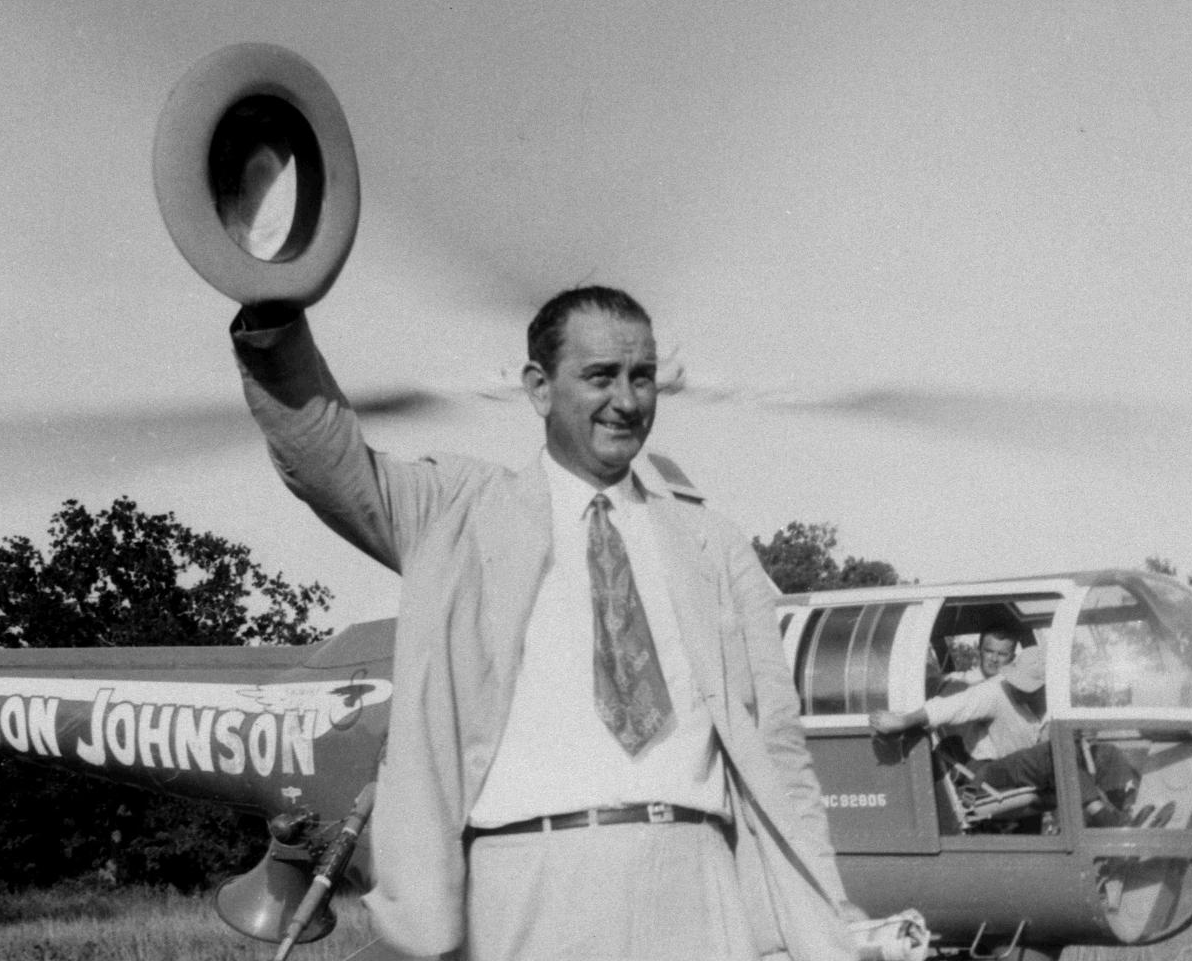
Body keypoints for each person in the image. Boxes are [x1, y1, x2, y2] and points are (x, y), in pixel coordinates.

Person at [233, 286, 860, 960]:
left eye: (641, 377)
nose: (626, 400)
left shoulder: (713, 545)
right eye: (599, 376)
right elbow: (332, 469)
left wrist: (825, 917)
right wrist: (275, 323)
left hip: (696, 880)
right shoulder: (460, 514)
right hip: (525, 882)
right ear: (538, 387)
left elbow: (777, 749)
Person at [870, 648, 1158, 828]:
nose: (1022, 690)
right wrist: (902, 721)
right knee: (1055, 752)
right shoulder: (996, 690)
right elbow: (945, 708)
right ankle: (1106, 821)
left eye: (1031, 687)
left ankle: (1131, 814)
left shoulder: (1055, 701)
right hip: (989, 774)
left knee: (1103, 753)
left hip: (1040, 770)